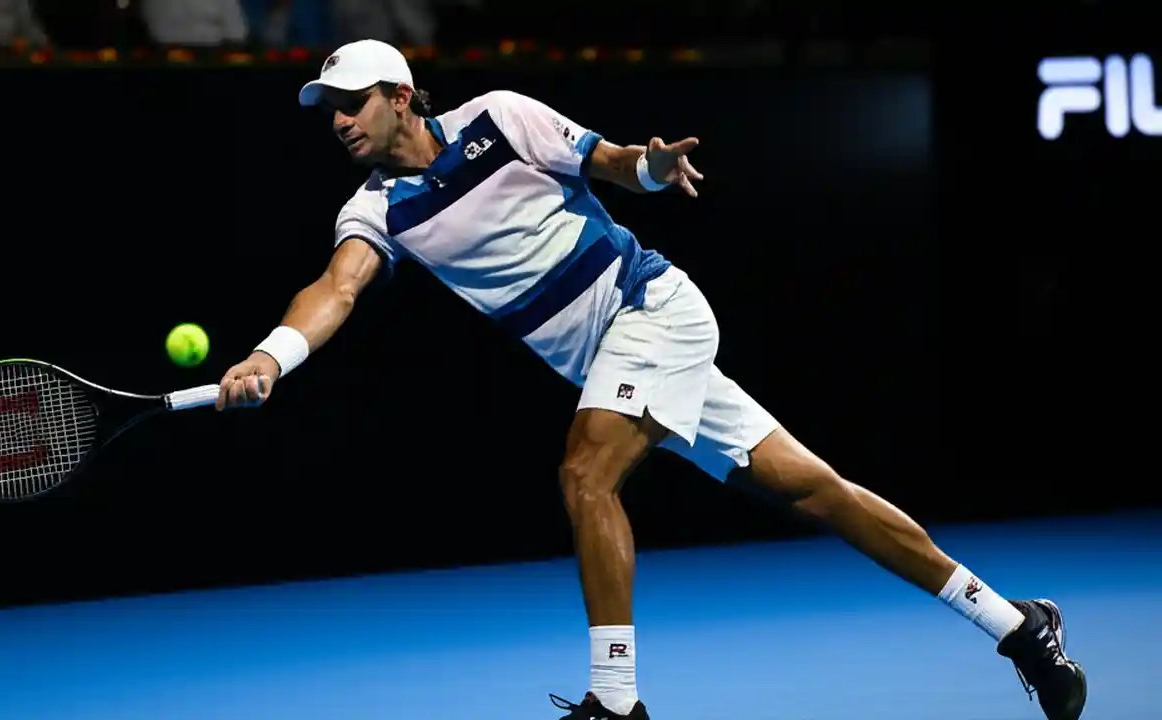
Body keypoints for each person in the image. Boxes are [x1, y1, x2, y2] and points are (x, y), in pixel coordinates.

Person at [214, 38, 1088, 720]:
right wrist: (269, 355)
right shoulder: (374, 209)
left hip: (653, 311)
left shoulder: (500, 119)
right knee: (817, 493)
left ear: (400, 95)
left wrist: (652, 168)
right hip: (614, 361)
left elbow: (609, 161)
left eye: (349, 103)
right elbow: (335, 290)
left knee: (585, 473)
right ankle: (1017, 626)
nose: (335, 121)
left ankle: (617, 701)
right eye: (325, 109)